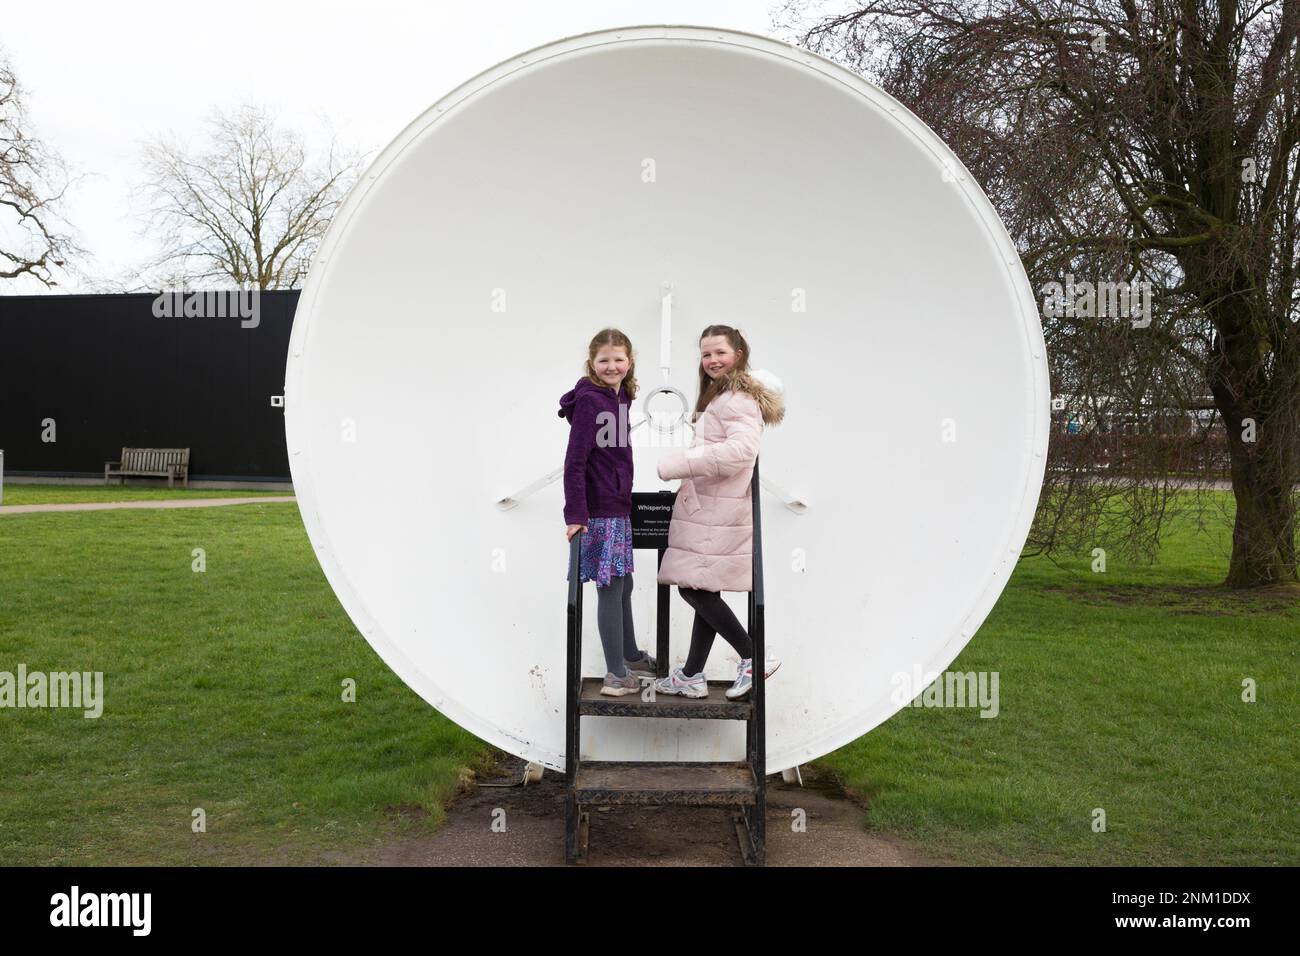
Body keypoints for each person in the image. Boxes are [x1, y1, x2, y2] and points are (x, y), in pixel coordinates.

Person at [653, 325, 785, 700]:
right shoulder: (721, 396)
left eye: (720, 353)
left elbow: (742, 451)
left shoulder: (738, 399)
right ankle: (692, 675)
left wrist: (682, 462)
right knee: (701, 587)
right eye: (706, 354)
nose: (712, 360)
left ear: (739, 354)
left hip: (716, 511)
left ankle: (753, 656)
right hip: (709, 507)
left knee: (694, 590)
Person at [558, 328, 657, 696]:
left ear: (629, 362)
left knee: (624, 582)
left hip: (618, 507)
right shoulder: (590, 403)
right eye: (604, 361)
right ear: (592, 363)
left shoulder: (620, 398)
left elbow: (614, 455)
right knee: (610, 588)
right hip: (599, 512)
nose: (612, 366)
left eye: (618, 360)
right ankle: (616, 675)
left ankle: (628, 654)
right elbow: (575, 462)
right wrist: (576, 515)